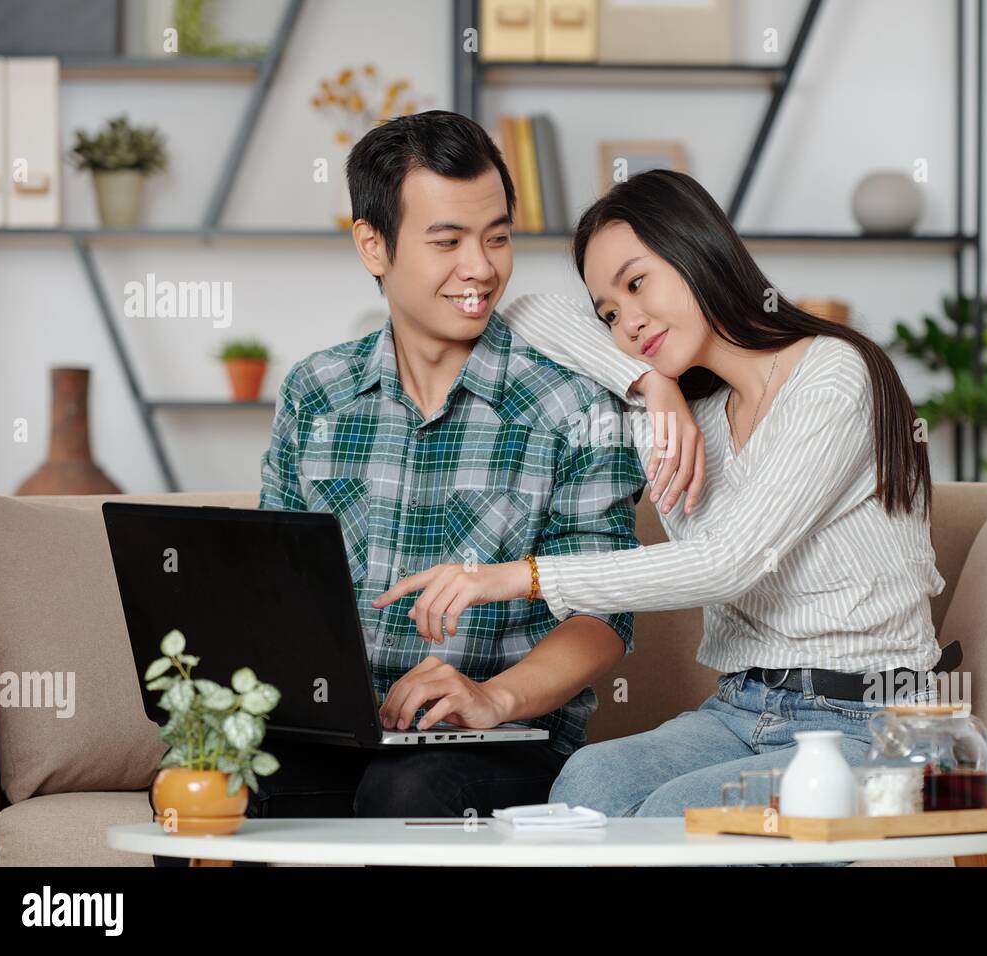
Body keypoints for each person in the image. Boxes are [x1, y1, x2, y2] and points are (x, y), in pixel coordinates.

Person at [373, 168, 949, 827]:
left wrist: (517, 578)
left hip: (875, 723)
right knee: (586, 781)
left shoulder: (831, 374)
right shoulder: (679, 418)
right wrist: (648, 382)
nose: (629, 320)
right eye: (609, 313)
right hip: (740, 710)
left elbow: (727, 561)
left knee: (677, 815)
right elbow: (524, 312)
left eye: (637, 282)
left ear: (697, 249)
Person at [149, 111, 647, 864]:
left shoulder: (575, 406)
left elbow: (604, 616)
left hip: (497, 743)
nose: (481, 268)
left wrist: (492, 698)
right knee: (204, 790)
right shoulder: (316, 394)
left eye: (498, 236)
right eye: (447, 241)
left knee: (407, 797)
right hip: (333, 728)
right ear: (371, 245)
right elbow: (273, 593)